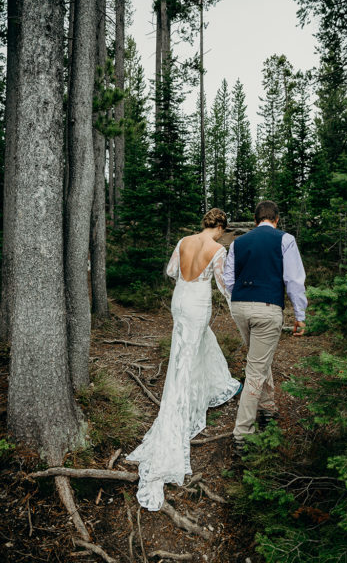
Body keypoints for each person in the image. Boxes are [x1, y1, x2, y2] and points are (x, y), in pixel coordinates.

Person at [127, 208, 242, 510]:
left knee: (190, 346)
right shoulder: (217, 249)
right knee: (188, 353)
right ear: (219, 227)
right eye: (223, 231)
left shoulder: (183, 241)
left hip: (180, 299)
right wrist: (239, 302)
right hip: (198, 301)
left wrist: (187, 277)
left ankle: (213, 385)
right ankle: (181, 403)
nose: (222, 235)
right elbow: (223, 285)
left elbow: (171, 271)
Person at [223, 201, 307, 456]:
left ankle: (268, 408)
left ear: (255, 219)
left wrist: (241, 298)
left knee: (260, 359)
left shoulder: (238, 243)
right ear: (277, 219)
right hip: (267, 308)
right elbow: (293, 279)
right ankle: (242, 433)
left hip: (240, 307)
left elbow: (228, 280)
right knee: (256, 370)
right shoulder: (285, 239)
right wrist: (300, 314)